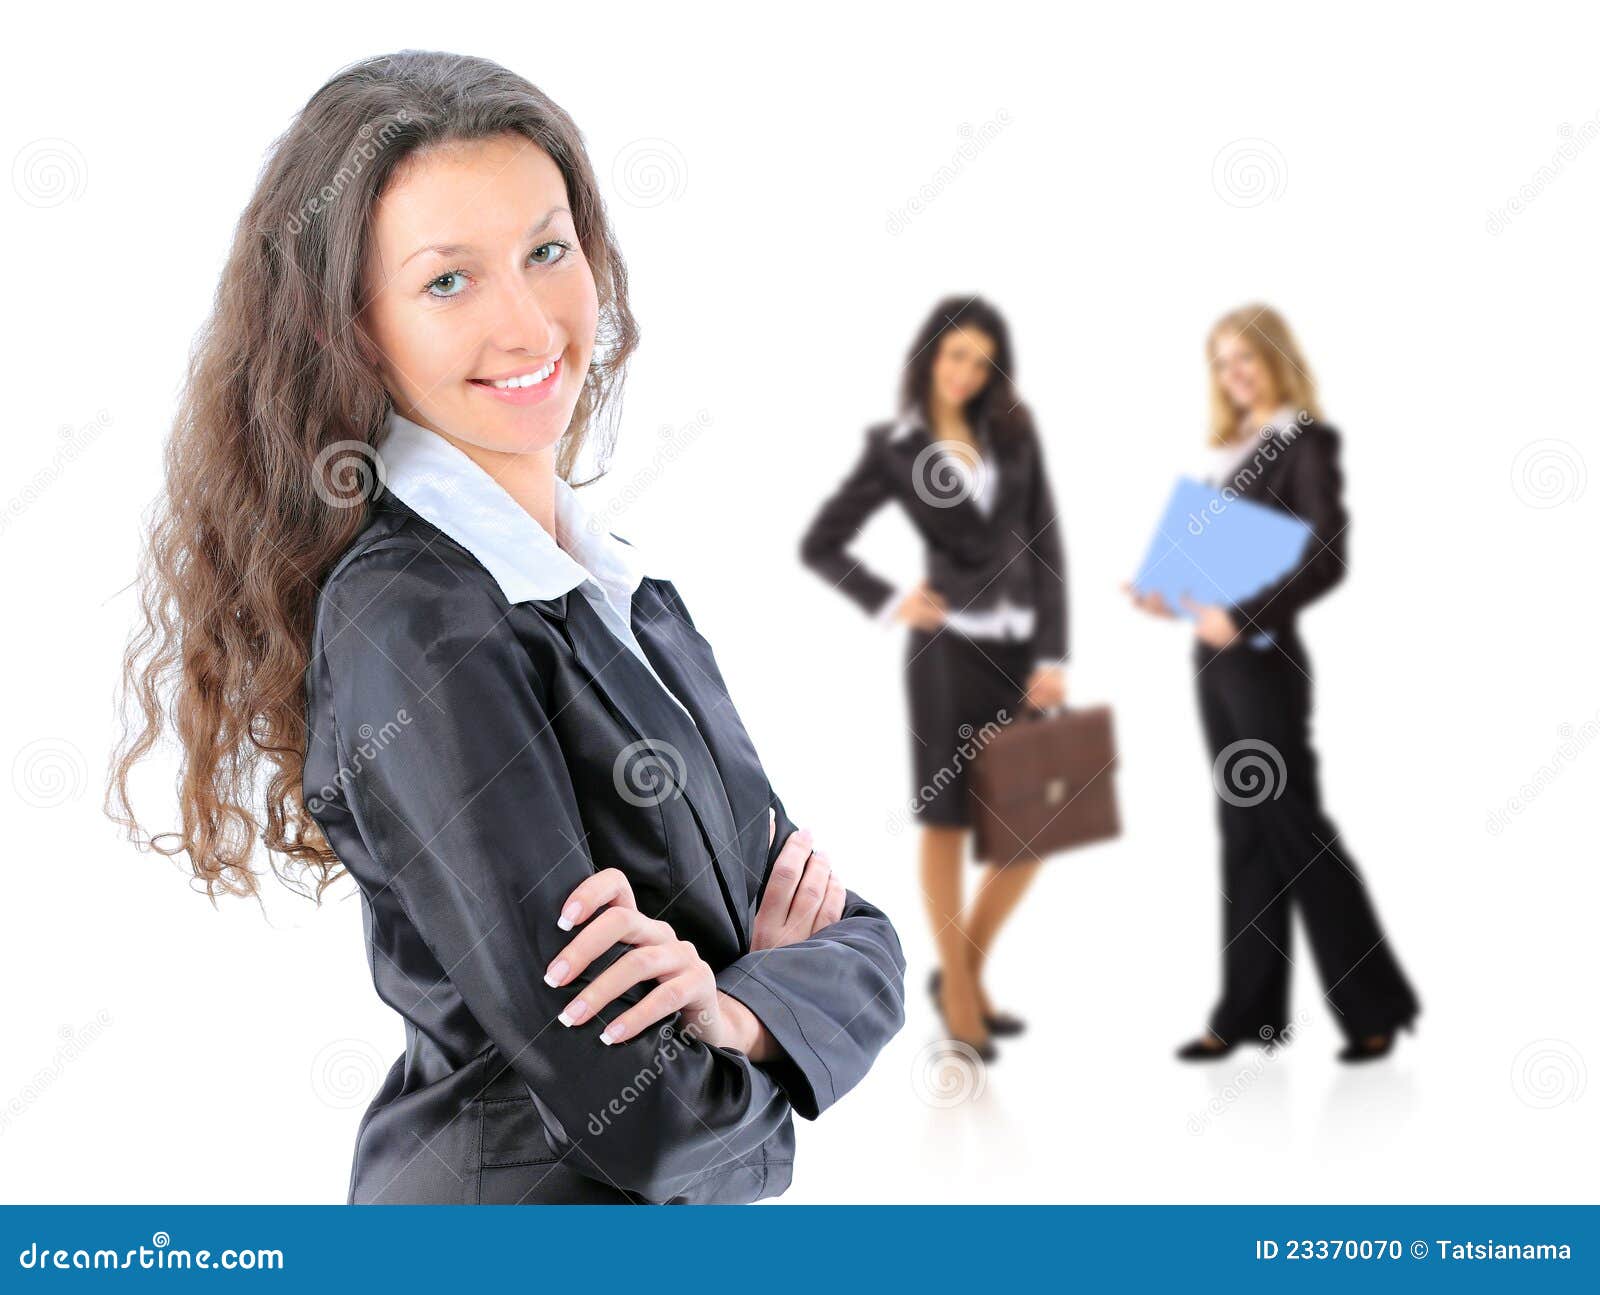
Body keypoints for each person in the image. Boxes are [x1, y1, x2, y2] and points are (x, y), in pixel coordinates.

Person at [106, 50, 905, 1204]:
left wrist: (729, 1008)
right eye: (447, 281)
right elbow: (652, 1121)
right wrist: (772, 1025)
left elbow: (854, 932)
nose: (529, 323)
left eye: (546, 251)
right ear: (352, 328)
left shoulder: (609, 585)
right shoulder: (413, 622)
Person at [1127, 304, 1420, 1063]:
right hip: (1215, 660)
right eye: (1222, 362)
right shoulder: (1230, 450)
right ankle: (1251, 1010)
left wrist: (1244, 611)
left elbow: (1326, 553)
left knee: (1290, 822)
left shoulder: (1305, 440)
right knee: (1245, 831)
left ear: (1276, 358)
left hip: (1265, 662)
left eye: (1246, 358)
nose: (1235, 373)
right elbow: (1229, 556)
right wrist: (1174, 595)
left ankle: (1373, 1005)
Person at [799, 296, 1067, 1062]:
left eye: (981, 361)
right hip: (946, 657)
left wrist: (1053, 655)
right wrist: (890, 599)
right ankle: (964, 995)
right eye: (954, 356)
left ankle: (962, 970)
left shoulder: (1015, 439)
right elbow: (826, 541)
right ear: (929, 361)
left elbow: (1048, 548)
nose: (965, 373)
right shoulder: (898, 446)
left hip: (1019, 662)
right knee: (948, 820)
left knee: (1029, 830)